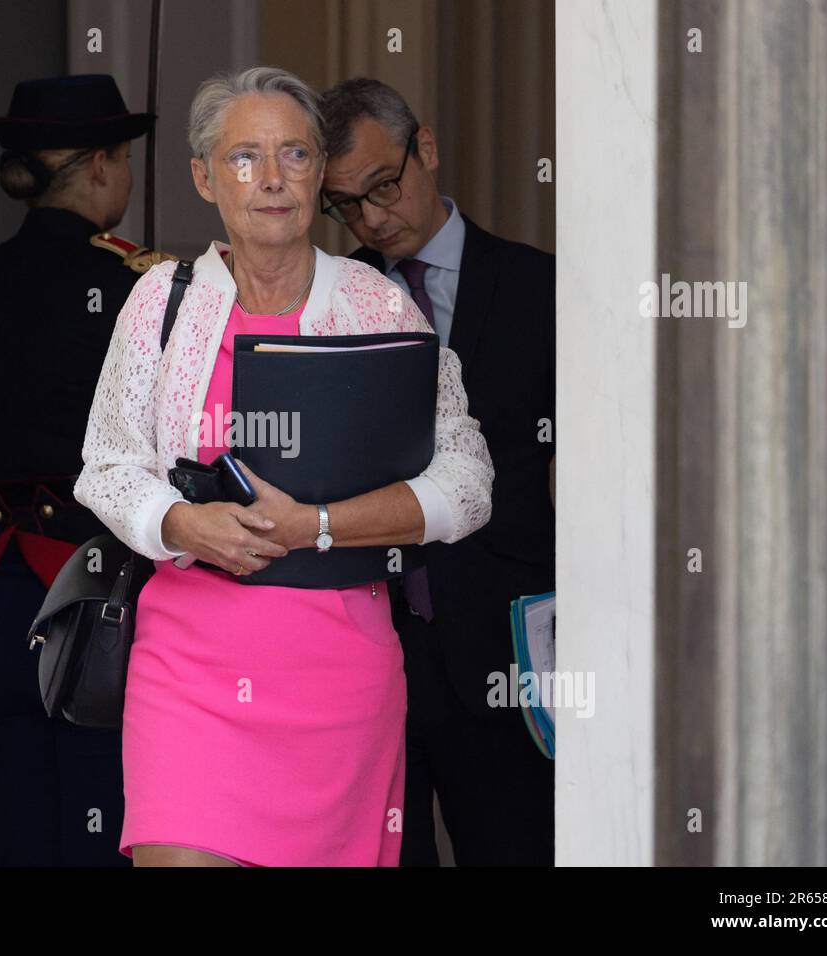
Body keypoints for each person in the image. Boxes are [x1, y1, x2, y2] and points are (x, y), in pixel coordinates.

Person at [73, 66, 494, 867]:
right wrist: (177, 521)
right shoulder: (163, 298)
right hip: (189, 666)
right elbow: (107, 466)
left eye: (296, 156)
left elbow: (467, 483)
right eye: (244, 159)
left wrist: (319, 527)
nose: (271, 180)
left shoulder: (375, 303)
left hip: (338, 669)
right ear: (204, 177)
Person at [318, 77, 556, 865]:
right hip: (367, 649)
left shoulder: (543, 290)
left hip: (506, 642)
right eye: (345, 204)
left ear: (426, 149)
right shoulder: (331, 302)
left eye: (383, 186)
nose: (371, 217)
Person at [0, 74, 170, 866]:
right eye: (123, 159)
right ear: (98, 164)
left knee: (20, 837)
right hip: (95, 601)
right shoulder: (134, 285)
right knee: (100, 827)